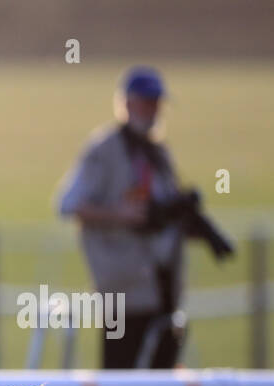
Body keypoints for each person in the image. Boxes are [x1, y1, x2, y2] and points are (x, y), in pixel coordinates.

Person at [56, 66, 233, 369]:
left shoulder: (159, 152)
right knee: (119, 382)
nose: (152, 110)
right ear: (126, 103)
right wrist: (121, 215)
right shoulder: (104, 149)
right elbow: (68, 204)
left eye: (156, 103)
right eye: (146, 101)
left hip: (163, 290)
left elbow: (160, 216)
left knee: (159, 384)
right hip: (122, 293)